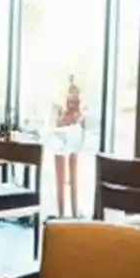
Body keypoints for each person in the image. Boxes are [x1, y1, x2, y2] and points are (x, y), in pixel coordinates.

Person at [52, 74, 85, 219]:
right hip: (63, 138)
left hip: (69, 138)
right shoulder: (65, 113)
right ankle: (65, 212)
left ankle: (71, 211)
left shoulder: (77, 114)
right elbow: (59, 121)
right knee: (64, 178)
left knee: (71, 177)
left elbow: (73, 119)